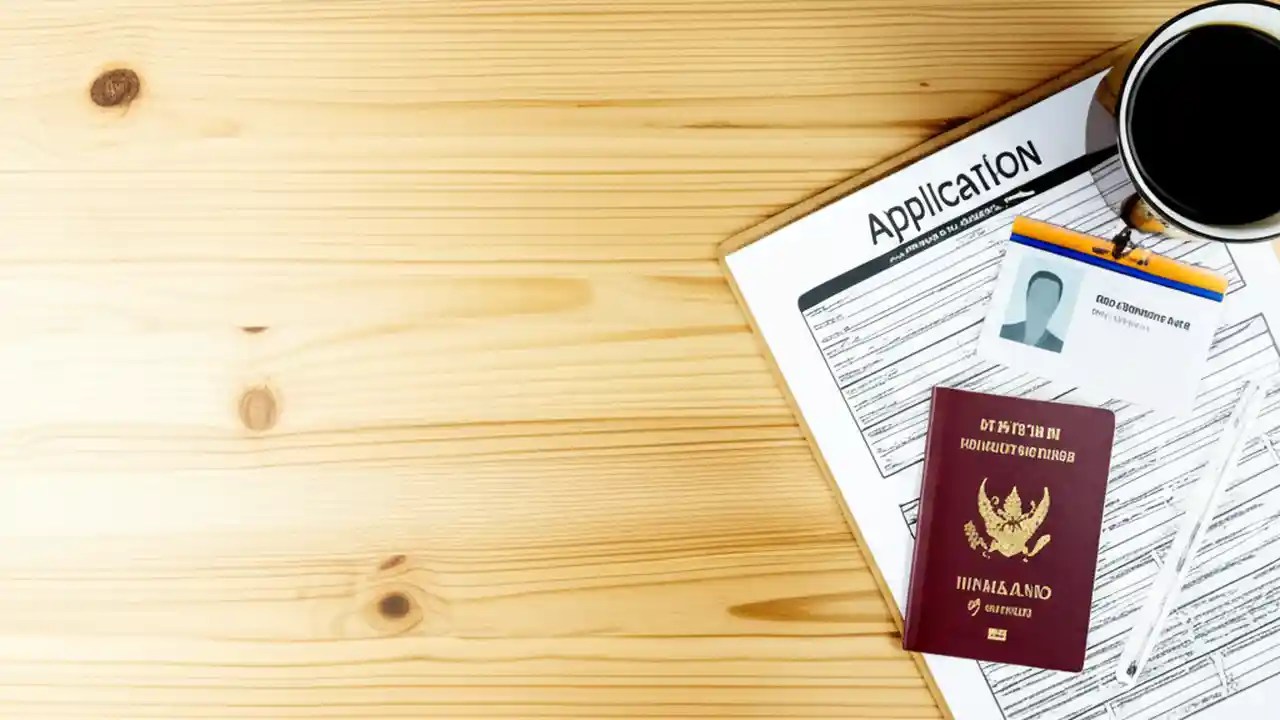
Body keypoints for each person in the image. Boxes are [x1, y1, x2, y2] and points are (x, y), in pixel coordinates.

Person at [1000, 270, 1065, 352]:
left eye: (1049, 299)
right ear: (1027, 297)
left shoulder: (1058, 348)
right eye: (1037, 296)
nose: (1041, 304)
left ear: (1056, 305)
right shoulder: (1003, 332)